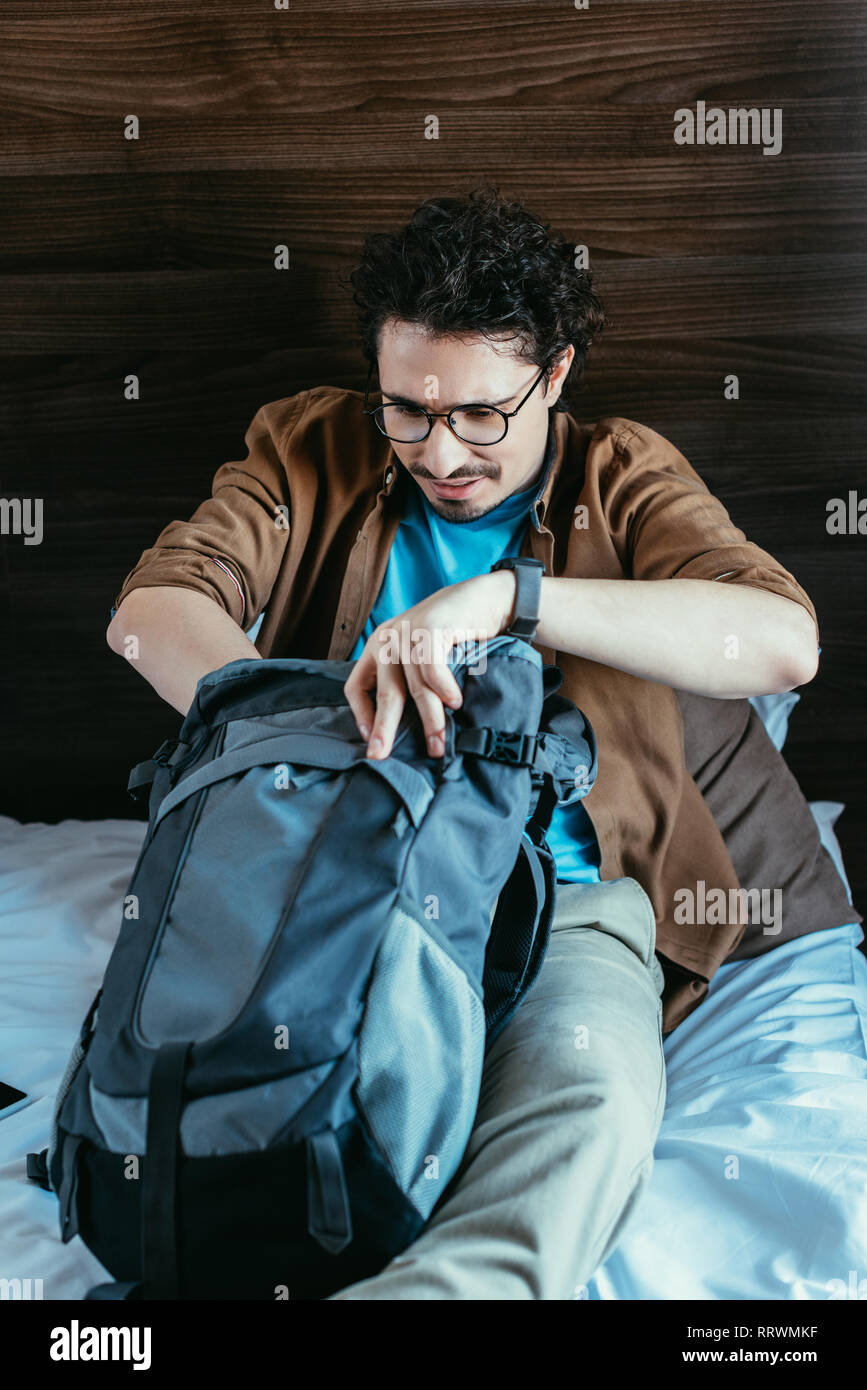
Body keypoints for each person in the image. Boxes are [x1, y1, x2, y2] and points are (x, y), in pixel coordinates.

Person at [106, 185, 820, 1299]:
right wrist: (333, 736)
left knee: (592, 1106)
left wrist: (506, 599)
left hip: (563, 900)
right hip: (328, 869)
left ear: (558, 375)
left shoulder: (619, 474)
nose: (442, 451)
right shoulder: (312, 445)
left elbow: (780, 641)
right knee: (225, 1088)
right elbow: (150, 613)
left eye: (483, 413)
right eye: (409, 409)